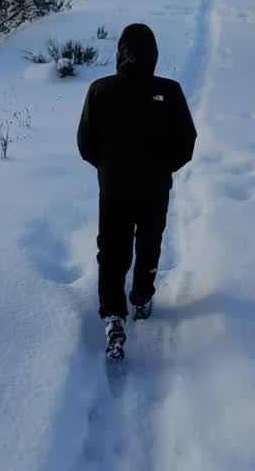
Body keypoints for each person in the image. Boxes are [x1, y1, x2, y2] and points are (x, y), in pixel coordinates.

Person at [76, 23, 197, 361]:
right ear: (154, 57)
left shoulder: (100, 90)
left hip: (113, 187)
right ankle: (141, 299)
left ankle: (113, 315)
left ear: (120, 54)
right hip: (155, 187)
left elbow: (86, 143)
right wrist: (163, 167)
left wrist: (107, 166)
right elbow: (186, 142)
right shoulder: (170, 91)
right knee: (149, 242)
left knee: (112, 249)